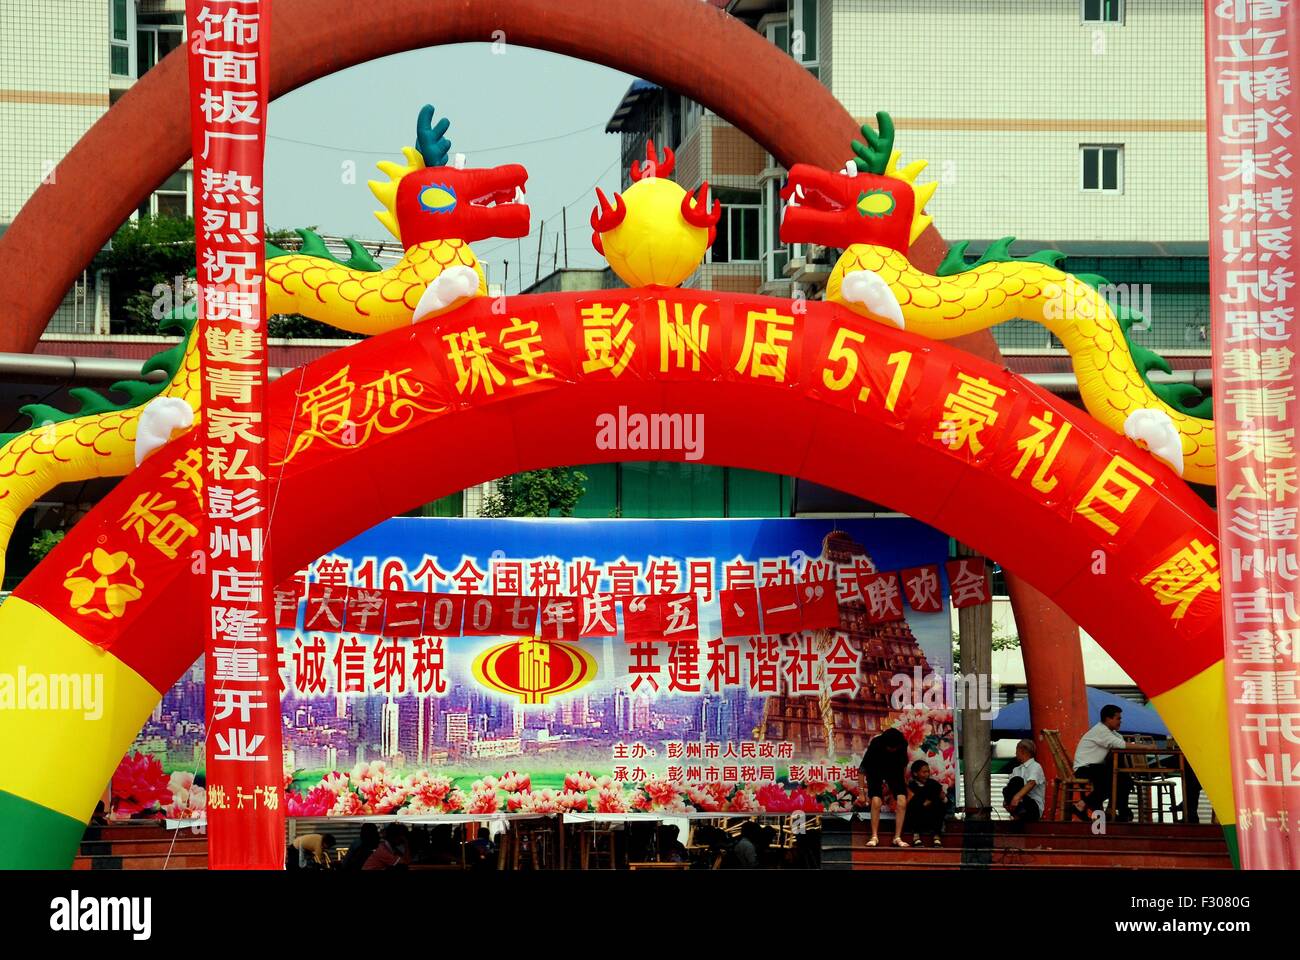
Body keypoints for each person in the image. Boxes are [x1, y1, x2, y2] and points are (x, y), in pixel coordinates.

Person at [1071, 704, 1133, 822]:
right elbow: (1121, 745)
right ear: (1108, 719)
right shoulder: (1100, 731)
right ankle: (1120, 811)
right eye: (1118, 718)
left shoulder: (1111, 732)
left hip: (1096, 768)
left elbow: (1119, 740)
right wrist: (1149, 746)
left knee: (1123, 778)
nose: (1120, 721)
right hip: (1085, 769)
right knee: (1120, 779)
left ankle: (1087, 805)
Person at [859, 727, 910, 848]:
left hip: (894, 770)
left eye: (895, 748)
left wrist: (901, 785)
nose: (893, 749)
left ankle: (897, 837)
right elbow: (862, 769)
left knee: (902, 800)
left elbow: (903, 765)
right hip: (876, 769)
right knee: (876, 801)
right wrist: (861, 792)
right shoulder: (876, 744)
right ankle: (874, 836)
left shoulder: (902, 744)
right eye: (890, 747)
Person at [903, 759, 946, 846]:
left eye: (928, 771)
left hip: (932, 816)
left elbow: (942, 798)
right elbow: (912, 803)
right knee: (915, 804)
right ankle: (916, 836)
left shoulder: (933, 784)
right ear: (915, 773)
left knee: (938, 803)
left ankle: (936, 837)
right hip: (917, 817)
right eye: (924, 772)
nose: (927, 774)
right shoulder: (912, 785)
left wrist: (939, 798)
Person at [1003, 739, 1044, 825]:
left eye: (1017, 751)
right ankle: (1017, 812)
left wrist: (1016, 798)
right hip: (1017, 806)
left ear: (1022, 751)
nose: (1015, 754)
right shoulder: (1016, 769)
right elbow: (1009, 788)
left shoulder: (1035, 766)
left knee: (1018, 780)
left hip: (1032, 808)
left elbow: (1031, 783)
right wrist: (1006, 802)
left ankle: (1020, 811)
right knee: (1008, 787)